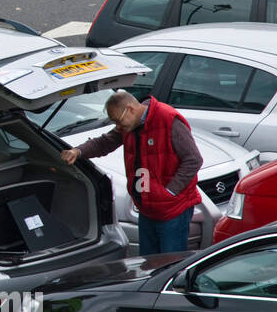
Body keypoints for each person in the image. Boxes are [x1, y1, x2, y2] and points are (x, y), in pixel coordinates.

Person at [61, 90, 202, 256]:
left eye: (118, 121)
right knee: (149, 263)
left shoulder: (168, 119)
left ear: (131, 109)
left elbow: (194, 160)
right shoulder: (129, 125)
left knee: (171, 263)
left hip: (172, 210)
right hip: (147, 208)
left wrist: (169, 192)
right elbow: (105, 143)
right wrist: (78, 151)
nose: (118, 127)